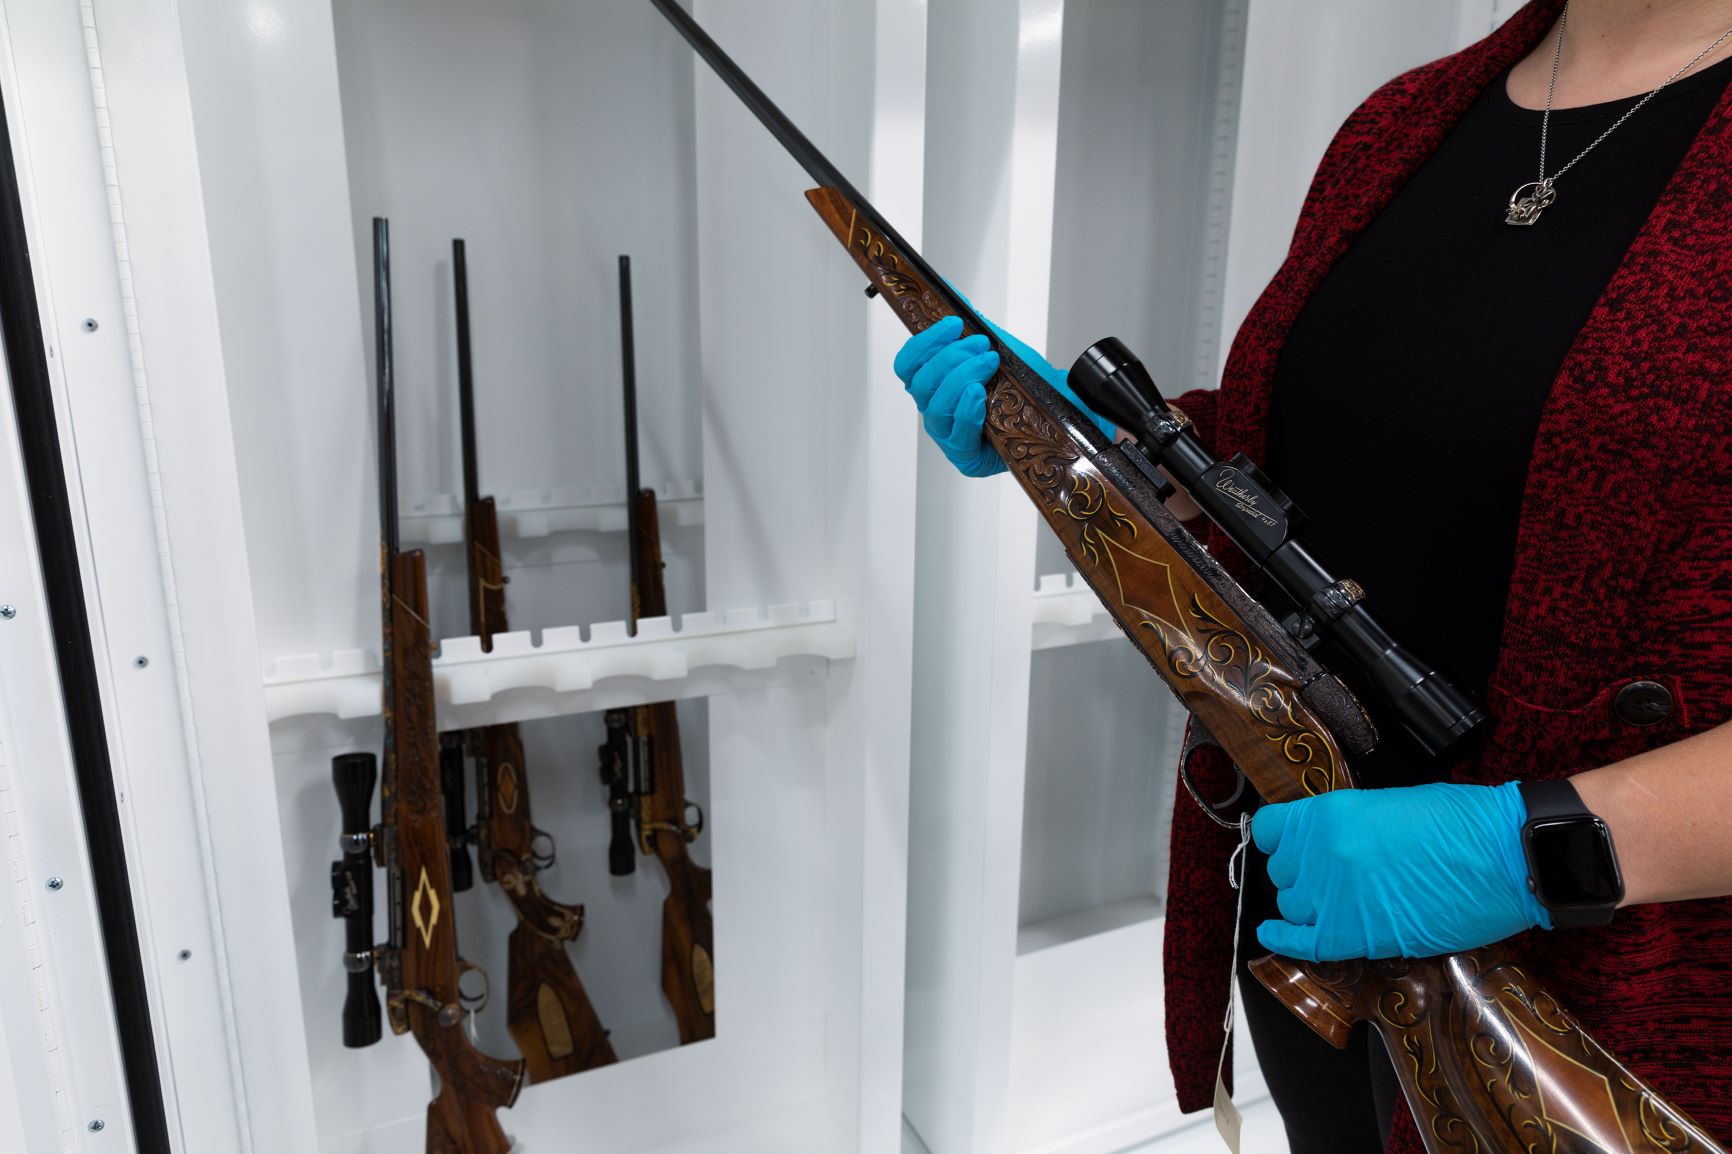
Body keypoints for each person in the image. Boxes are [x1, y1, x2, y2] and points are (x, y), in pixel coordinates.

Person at [893, 0, 1732, 1149]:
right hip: (1318, 927)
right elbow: (1343, 458)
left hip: (1630, 995)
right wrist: (1105, 452)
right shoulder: (1404, 123)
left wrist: (1538, 844)